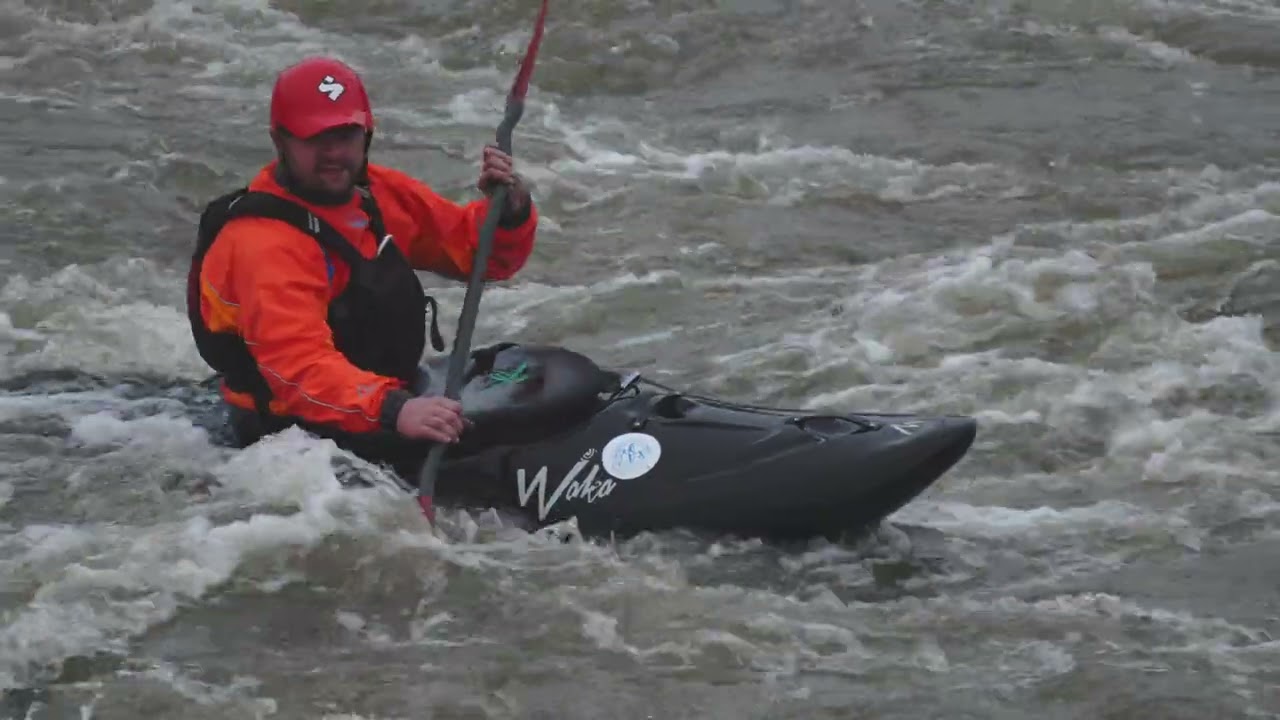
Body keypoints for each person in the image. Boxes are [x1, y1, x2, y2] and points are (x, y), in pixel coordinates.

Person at [185, 56, 538, 475]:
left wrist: (510, 210)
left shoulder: (373, 193)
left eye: (346, 135)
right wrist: (394, 410)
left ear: (366, 134)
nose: (334, 153)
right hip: (291, 434)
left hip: (381, 400)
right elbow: (299, 371)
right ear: (280, 140)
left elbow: (474, 253)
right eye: (316, 139)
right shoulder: (262, 243)